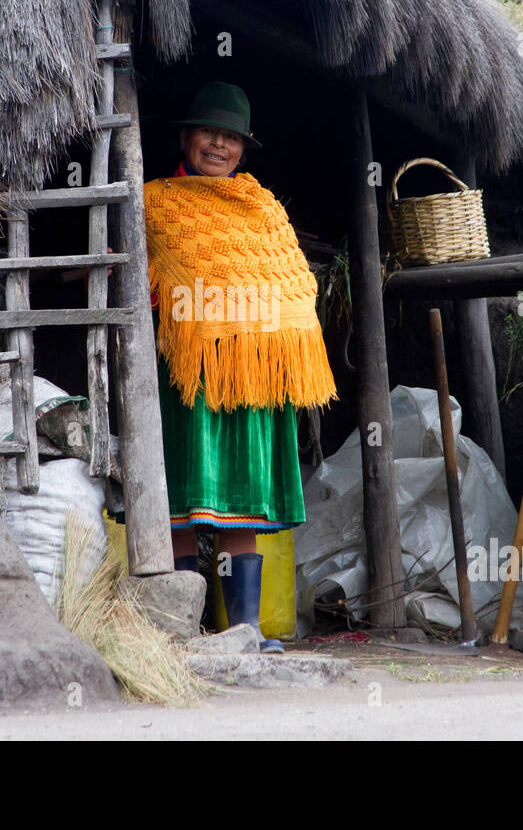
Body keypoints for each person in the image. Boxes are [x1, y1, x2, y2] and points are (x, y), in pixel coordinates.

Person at [144, 81, 337, 653]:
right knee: (184, 500)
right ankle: (186, 631)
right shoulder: (156, 200)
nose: (218, 146)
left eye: (230, 138)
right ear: (186, 137)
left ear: (243, 149)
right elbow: (141, 272)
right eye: (209, 133)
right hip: (189, 369)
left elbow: (295, 286)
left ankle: (246, 631)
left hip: (254, 376)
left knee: (242, 509)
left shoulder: (263, 208)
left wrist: (263, 332)